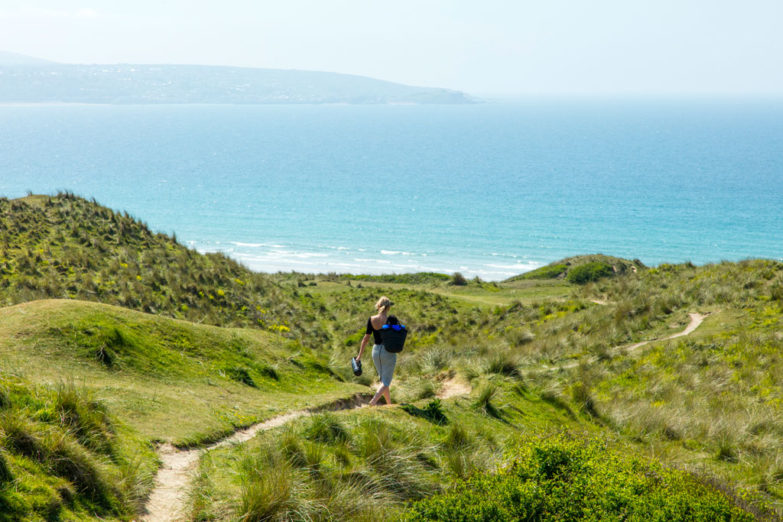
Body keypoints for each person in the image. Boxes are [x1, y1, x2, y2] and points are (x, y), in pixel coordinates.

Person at [356, 296, 397, 406]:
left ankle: (389, 404)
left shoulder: (371, 319)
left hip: (375, 351)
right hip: (388, 352)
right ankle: (373, 402)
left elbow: (365, 339)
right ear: (388, 307)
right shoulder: (391, 320)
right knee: (386, 381)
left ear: (378, 306)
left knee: (384, 380)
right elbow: (398, 335)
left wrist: (359, 356)